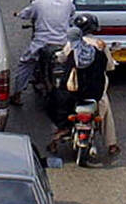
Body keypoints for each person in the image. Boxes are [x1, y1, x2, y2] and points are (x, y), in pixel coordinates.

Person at [50, 24, 120, 159]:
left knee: (56, 102)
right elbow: (109, 66)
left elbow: (62, 60)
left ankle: (59, 132)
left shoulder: (71, 47)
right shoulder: (100, 47)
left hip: (74, 93)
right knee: (105, 108)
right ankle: (111, 144)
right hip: (96, 93)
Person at [11, 0, 76, 107]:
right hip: (62, 43)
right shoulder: (67, 2)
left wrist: (18, 14)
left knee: (25, 63)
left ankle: (17, 95)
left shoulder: (39, 2)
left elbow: (27, 14)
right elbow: (72, 14)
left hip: (41, 43)